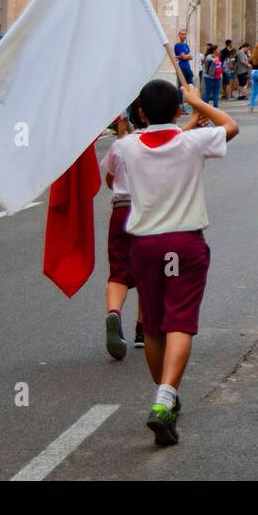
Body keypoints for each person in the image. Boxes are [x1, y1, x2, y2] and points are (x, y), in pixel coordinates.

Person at [121, 79, 238, 445]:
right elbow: (229, 126)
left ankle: (164, 396)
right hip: (184, 245)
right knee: (180, 323)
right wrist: (198, 101)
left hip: (146, 246)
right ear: (178, 110)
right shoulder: (193, 142)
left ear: (141, 113)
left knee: (154, 327)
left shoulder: (126, 147)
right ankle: (164, 398)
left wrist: (182, 118)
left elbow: (149, 148)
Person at [102, 104, 147, 360]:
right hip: (148, 212)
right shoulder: (164, 143)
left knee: (118, 271)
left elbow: (110, 180)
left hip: (120, 211)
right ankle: (142, 329)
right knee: (147, 269)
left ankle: (114, 312)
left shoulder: (120, 145)